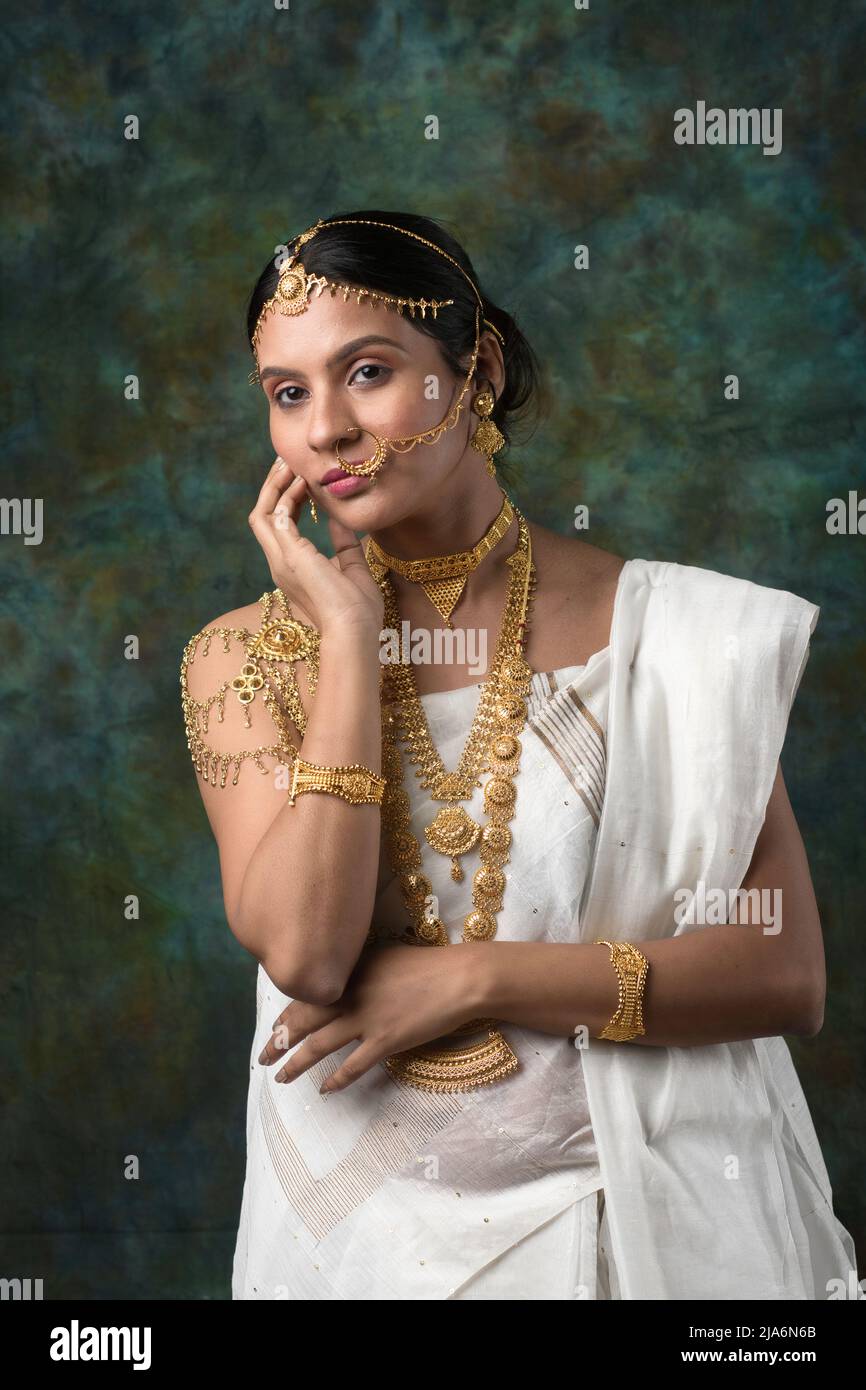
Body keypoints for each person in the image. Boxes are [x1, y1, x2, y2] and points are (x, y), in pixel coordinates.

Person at [179, 210, 859, 1300]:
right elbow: (307, 958)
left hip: (633, 1242)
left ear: (476, 369)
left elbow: (782, 972)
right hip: (354, 1246)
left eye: (367, 371)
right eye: (288, 392)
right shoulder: (245, 662)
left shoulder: (667, 635)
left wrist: (473, 980)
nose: (328, 430)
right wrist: (351, 644)